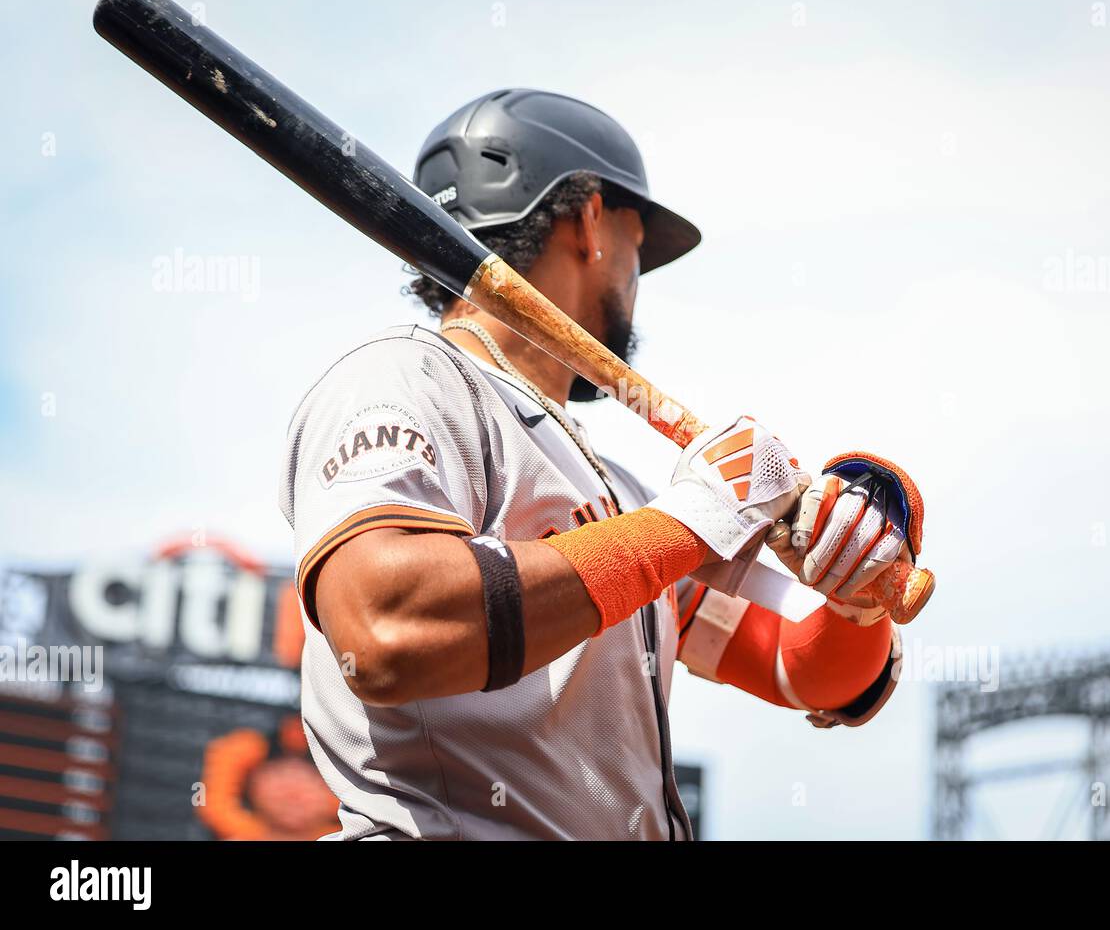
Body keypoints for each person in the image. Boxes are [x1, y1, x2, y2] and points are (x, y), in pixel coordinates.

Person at [278, 89, 928, 840]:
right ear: (590, 222)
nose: (636, 271)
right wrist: (693, 521)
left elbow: (807, 671)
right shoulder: (403, 380)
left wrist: (856, 593)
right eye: (637, 240)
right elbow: (388, 633)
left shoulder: (618, 492)